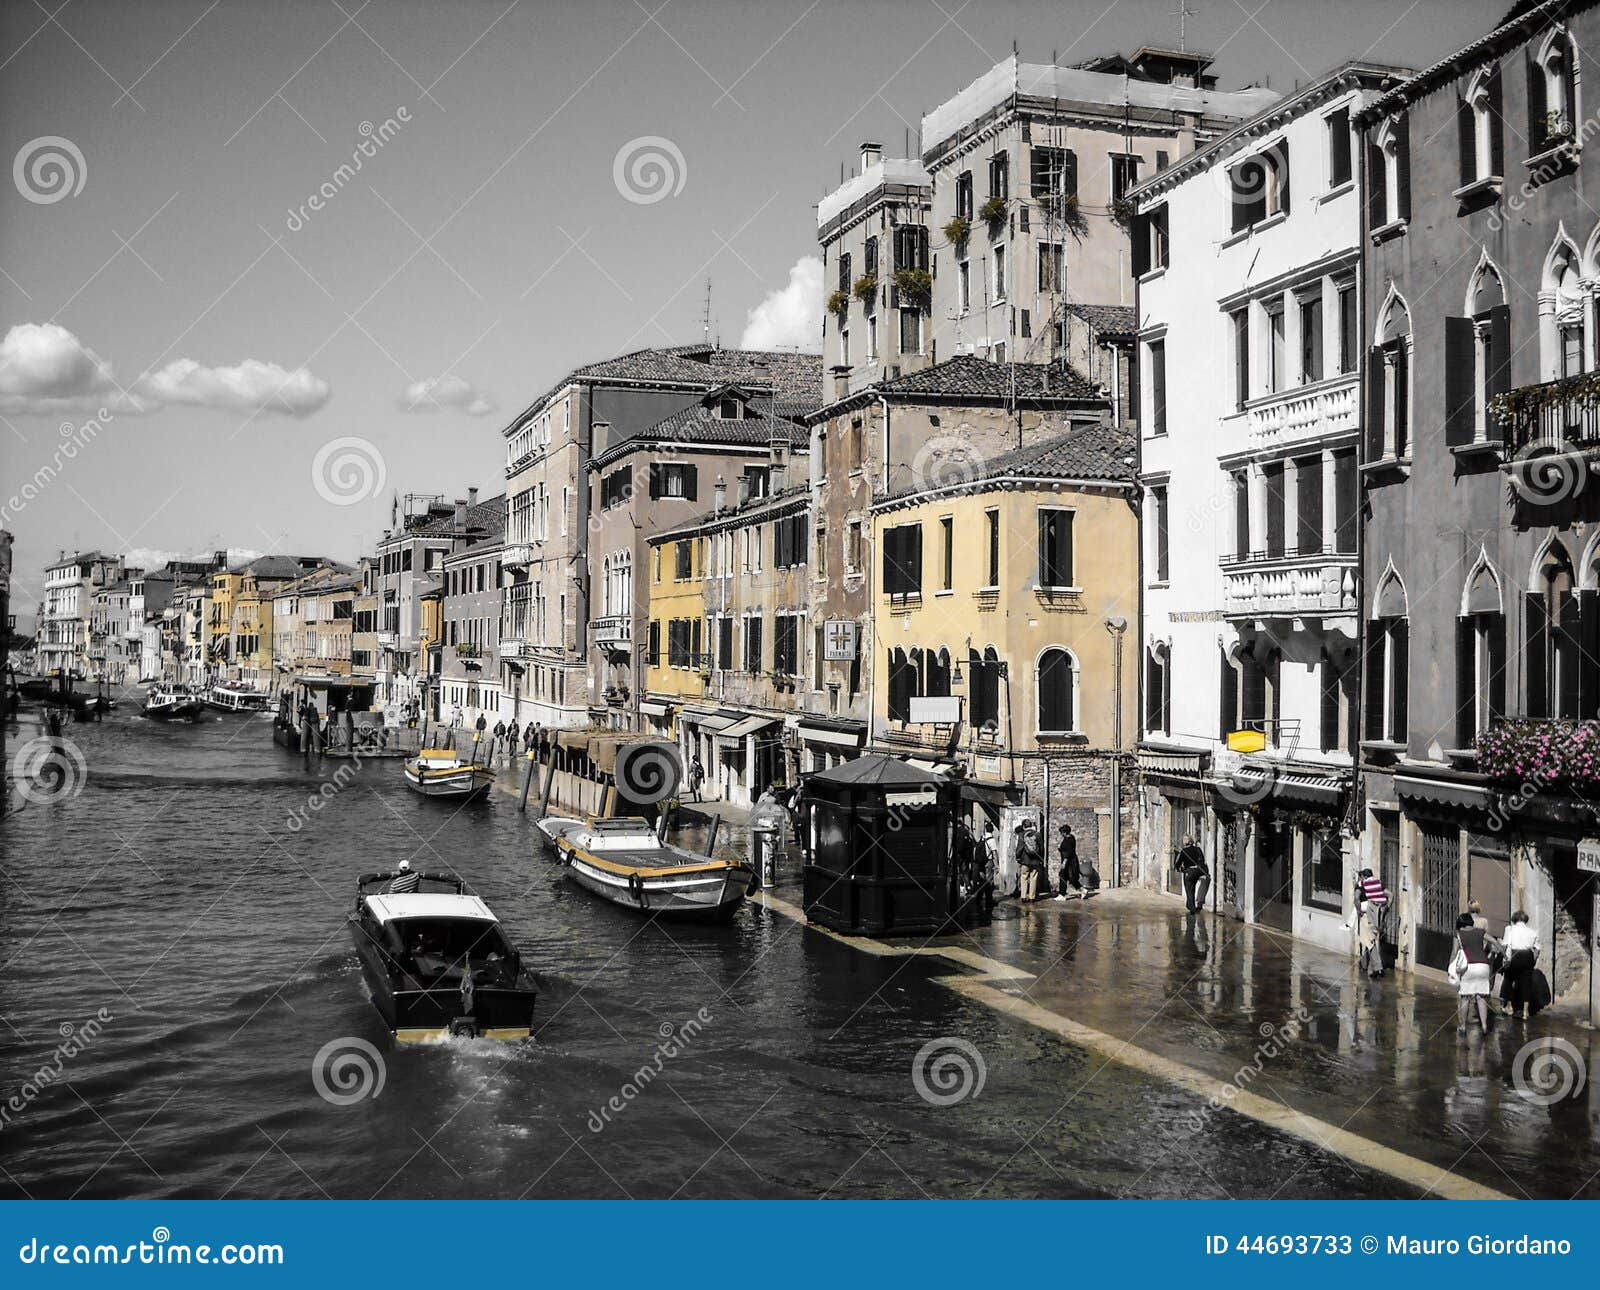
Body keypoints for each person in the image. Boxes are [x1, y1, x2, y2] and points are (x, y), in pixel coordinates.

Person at [1448, 912, 1494, 1035]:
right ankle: (1484, 1026)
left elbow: (1454, 952)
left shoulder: (1458, 934)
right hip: (1483, 966)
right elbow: (1494, 941)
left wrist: (1450, 967)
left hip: (1469, 967)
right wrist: (1505, 955)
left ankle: (1463, 1026)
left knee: (1465, 997)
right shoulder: (1480, 932)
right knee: (1481, 997)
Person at [1499, 910, 1541, 1020]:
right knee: (1526, 983)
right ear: (1525, 920)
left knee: (1509, 979)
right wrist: (1533, 961)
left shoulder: (1509, 929)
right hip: (1527, 956)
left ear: (1514, 919)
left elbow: (1505, 945)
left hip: (1514, 955)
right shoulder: (1533, 931)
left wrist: (1503, 958)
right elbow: (1537, 949)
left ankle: (1509, 1006)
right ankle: (1525, 1011)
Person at [1351, 868, 1389, 979]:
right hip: (1376, 916)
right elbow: (1390, 895)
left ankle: (1377, 968)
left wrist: (1358, 911)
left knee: (1368, 941)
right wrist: (1385, 909)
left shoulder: (1361, 886)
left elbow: (1356, 899)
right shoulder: (1376, 886)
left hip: (1365, 916)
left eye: (1361, 877)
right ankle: (1374, 968)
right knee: (1370, 941)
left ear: (1363, 877)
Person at [1175, 835, 1210, 913]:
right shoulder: (1198, 849)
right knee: (1192, 888)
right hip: (1197, 871)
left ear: (1185, 842)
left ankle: (1192, 909)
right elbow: (1202, 860)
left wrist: (1178, 868)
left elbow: (1178, 863)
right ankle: (1189, 905)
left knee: (1189, 890)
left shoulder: (1184, 851)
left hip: (1189, 872)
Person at [1053, 822, 1083, 902]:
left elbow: (1068, 852)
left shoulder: (1067, 840)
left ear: (1064, 832)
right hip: (1071, 860)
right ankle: (1082, 890)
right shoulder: (1071, 837)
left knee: (1063, 876)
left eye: (1061, 833)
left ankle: (1062, 895)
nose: (1061, 834)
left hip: (1069, 862)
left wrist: (1064, 863)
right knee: (1069, 877)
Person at [1016, 819, 1044, 902]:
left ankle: (1023, 896)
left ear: (1023, 826)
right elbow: (1042, 848)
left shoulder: (1022, 834)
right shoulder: (1037, 834)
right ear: (1031, 825)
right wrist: (1041, 858)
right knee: (1033, 878)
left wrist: (1018, 857)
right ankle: (1032, 897)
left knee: (1024, 877)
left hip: (1025, 860)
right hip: (1035, 860)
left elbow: (1019, 847)